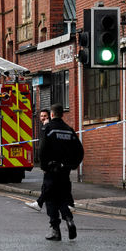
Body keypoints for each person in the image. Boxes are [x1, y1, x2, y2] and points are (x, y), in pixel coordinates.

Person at [39, 103, 83, 241]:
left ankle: (55, 231)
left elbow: (42, 149)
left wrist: (44, 166)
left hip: (51, 170)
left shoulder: (48, 128)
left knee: (51, 199)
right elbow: (80, 151)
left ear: (51, 114)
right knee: (63, 197)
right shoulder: (69, 130)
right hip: (65, 172)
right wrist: (72, 165)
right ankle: (69, 219)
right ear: (62, 114)